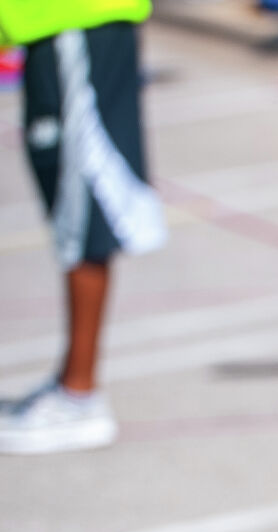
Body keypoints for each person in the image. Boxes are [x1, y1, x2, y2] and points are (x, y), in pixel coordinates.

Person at [0, 0, 166, 456]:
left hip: (72, 20)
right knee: (74, 203)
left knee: (82, 209)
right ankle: (73, 388)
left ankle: (78, 394)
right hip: (54, 25)